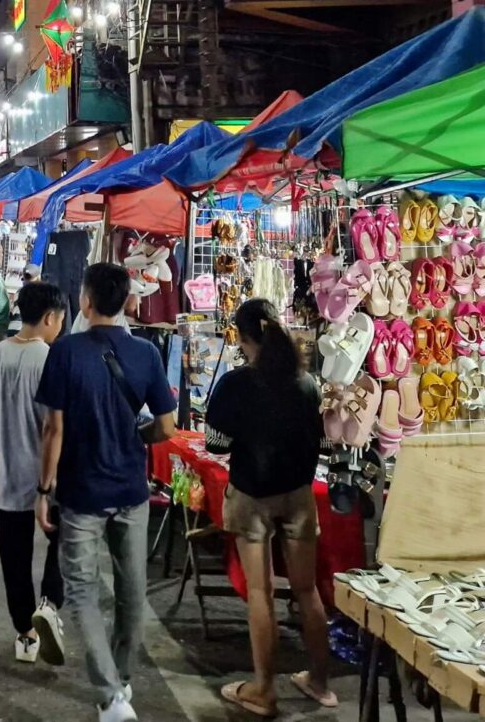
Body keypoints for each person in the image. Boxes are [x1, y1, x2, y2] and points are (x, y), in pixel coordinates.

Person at [35, 263, 176, 722]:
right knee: (132, 589)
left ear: (86, 301)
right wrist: (137, 438)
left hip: (81, 491)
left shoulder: (65, 352)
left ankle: (112, 695)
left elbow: (53, 429)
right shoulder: (146, 354)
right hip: (132, 489)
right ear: (126, 302)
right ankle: (122, 679)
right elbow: (168, 427)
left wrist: (43, 488)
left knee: (80, 591)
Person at [206, 299, 333, 717]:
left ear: (242, 339)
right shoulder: (307, 383)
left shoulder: (234, 384)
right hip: (298, 495)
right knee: (307, 590)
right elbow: (323, 441)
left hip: (252, 496)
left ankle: (263, 690)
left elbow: (215, 444)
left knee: (260, 593)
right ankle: (318, 680)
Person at [0, 282, 67, 665]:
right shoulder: (53, 359)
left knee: (14, 558)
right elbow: (56, 427)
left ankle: (25, 635)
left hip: (4, 473)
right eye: (60, 320)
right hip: (49, 475)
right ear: (50, 317)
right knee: (61, 543)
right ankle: (49, 603)